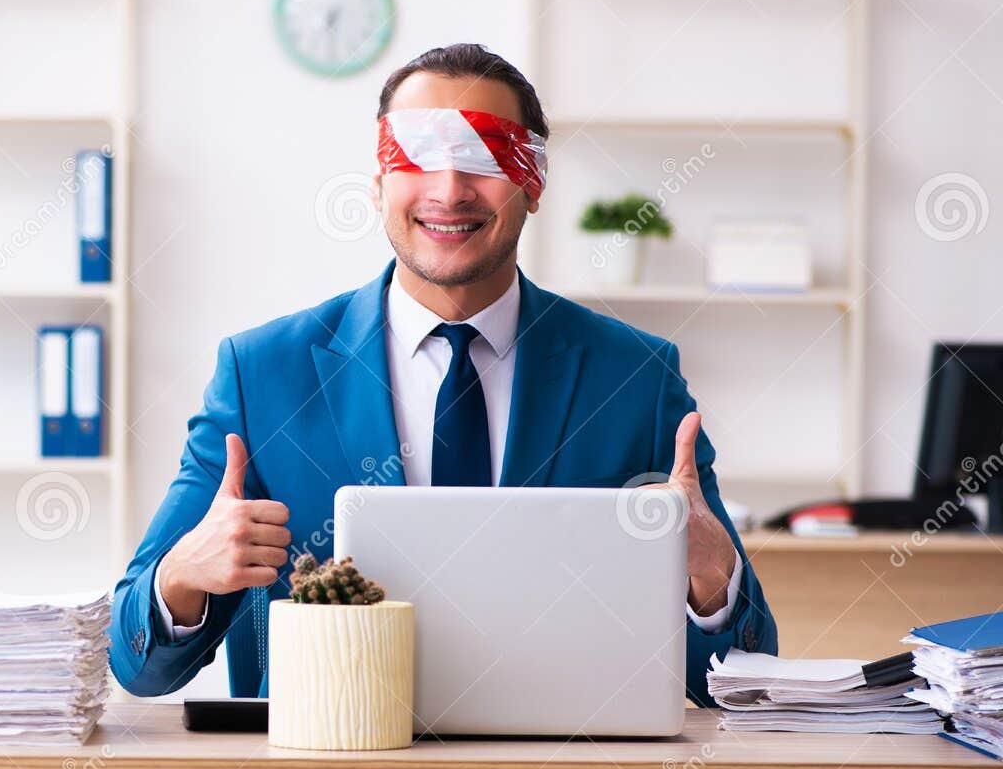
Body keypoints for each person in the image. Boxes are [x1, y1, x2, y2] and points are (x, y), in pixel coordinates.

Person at [109, 43, 778, 706]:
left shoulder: (637, 380)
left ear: (533, 183)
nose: (449, 190)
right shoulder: (262, 377)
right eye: (416, 155)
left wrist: (712, 576)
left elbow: (744, 684)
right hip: (328, 758)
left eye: (485, 157)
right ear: (378, 184)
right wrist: (183, 577)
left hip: (563, 768)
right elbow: (136, 667)